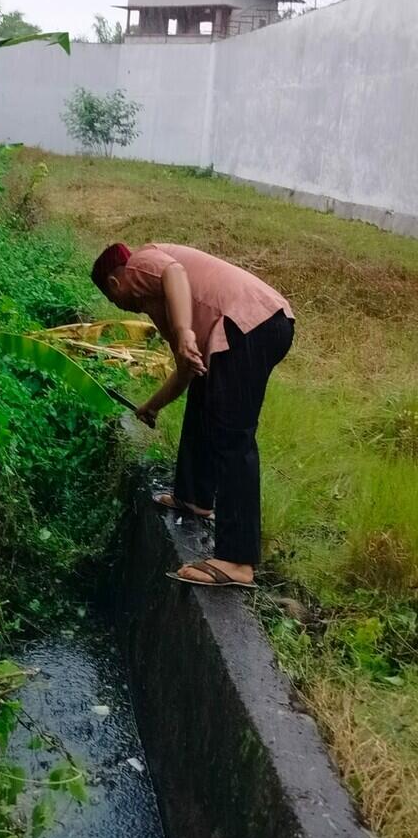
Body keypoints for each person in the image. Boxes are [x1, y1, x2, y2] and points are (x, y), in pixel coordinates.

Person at [91, 242, 294, 588]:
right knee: (202, 391)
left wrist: (185, 331)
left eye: (114, 300)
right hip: (252, 324)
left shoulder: (140, 261)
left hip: (251, 323)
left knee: (233, 436)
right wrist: (152, 405)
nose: (122, 306)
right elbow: (186, 369)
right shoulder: (161, 305)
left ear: (114, 283)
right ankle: (194, 497)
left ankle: (237, 561)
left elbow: (175, 273)